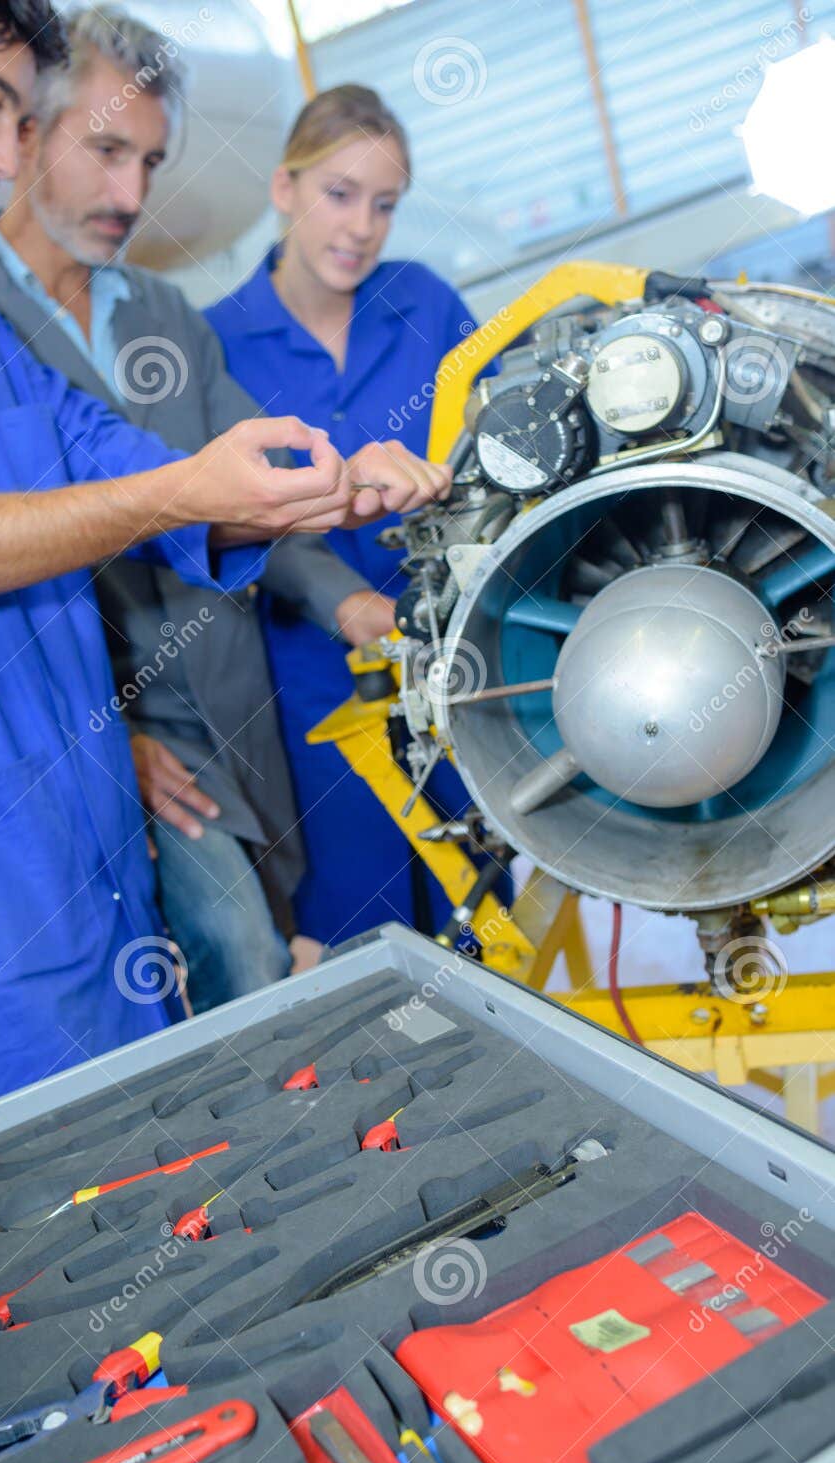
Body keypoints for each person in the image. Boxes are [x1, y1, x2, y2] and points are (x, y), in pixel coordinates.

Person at [0, 3, 439, 1132]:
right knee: (50, 1225)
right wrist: (181, 491)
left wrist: (316, 480)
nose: (6, 159)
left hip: (98, 866)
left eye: (26, 122)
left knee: (171, 1175)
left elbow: (142, 470)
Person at [0, 6, 416, 1015]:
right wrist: (106, 746)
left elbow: (259, 493)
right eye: (107, 150)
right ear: (27, 133)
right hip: (112, 729)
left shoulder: (163, 318)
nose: (132, 193)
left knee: (274, 952)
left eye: (151, 162)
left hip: (233, 713)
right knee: (238, 959)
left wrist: (352, 604)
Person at [207, 85, 497, 945]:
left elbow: (500, 439)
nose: (362, 226)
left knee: (488, 911)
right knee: (365, 932)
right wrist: (350, 604)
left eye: (385, 204)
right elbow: (229, 526)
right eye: (339, 194)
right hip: (313, 687)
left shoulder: (427, 303)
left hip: (456, 660)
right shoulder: (212, 342)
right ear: (284, 187)